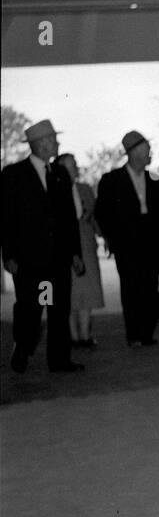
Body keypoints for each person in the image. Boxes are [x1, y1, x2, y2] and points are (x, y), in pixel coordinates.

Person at [0, 119, 85, 374]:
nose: (57, 143)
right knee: (31, 309)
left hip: (58, 258)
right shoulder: (13, 174)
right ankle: (22, 347)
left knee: (60, 309)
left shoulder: (59, 174)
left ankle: (59, 361)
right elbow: (5, 218)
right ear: (39, 144)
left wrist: (75, 253)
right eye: (52, 140)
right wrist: (9, 254)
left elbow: (69, 218)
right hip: (29, 259)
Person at [95, 130, 159, 348]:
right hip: (127, 245)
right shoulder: (111, 181)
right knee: (131, 289)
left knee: (151, 289)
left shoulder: (155, 181)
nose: (150, 154)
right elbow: (103, 213)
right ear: (134, 152)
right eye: (146, 149)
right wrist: (113, 238)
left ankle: (146, 332)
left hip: (151, 243)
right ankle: (135, 334)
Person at [56, 152, 105, 349]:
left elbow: (95, 217)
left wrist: (104, 236)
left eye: (75, 164)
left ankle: (85, 335)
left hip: (86, 246)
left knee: (88, 292)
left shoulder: (85, 189)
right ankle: (73, 335)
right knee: (69, 295)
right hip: (64, 249)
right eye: (70, 165)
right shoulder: (55, 190)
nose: (75, 168)